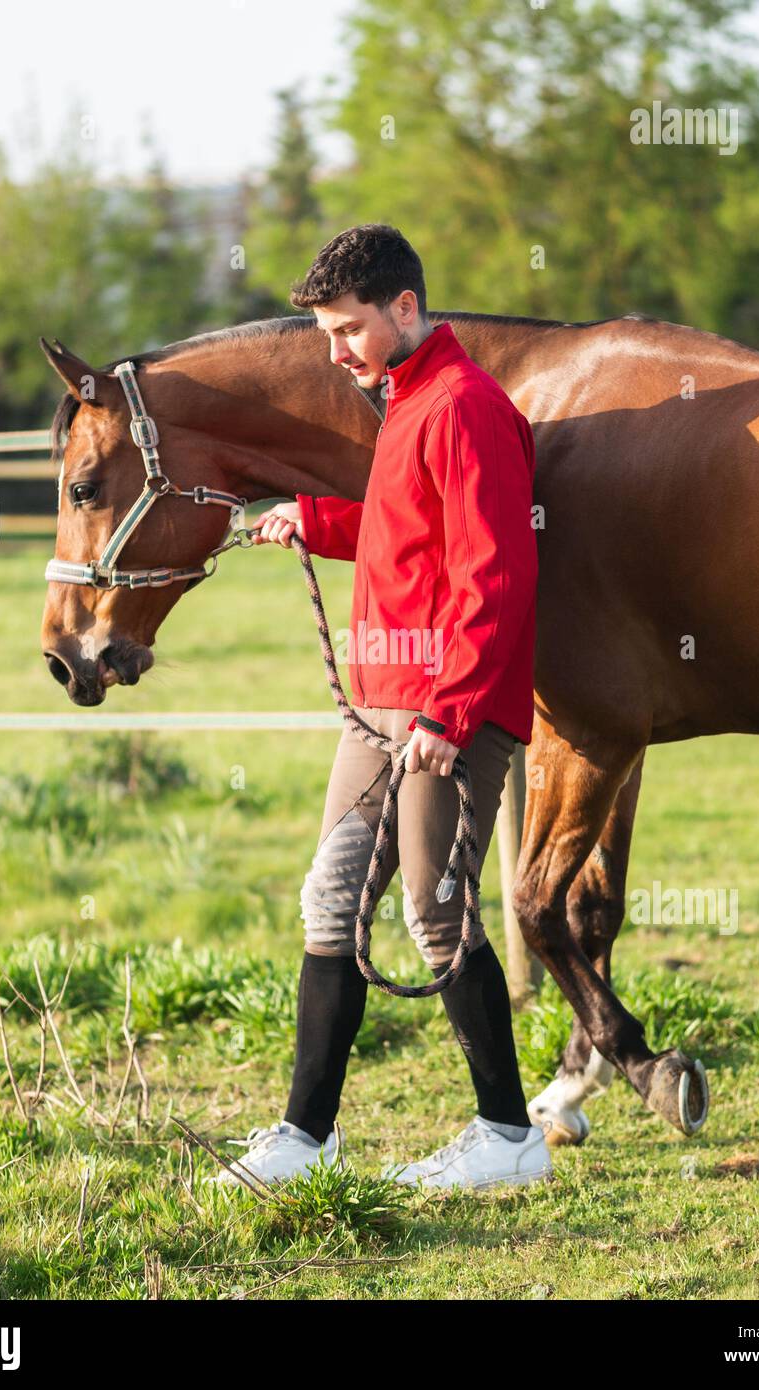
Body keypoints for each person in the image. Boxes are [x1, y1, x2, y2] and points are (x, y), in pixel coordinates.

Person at [218, 224, 548, 1191]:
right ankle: (305, 1138)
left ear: (405, 307)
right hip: (376, 708)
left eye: (348, 329)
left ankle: (508, 1138)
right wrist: (314, 518)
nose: (336, 352)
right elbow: (408, 531)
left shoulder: (466, 406)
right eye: (325, 333)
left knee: (434, 913)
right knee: (330, 900)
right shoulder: (407, 402)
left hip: (447, 712)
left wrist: (449, 716)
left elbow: (497, 572)